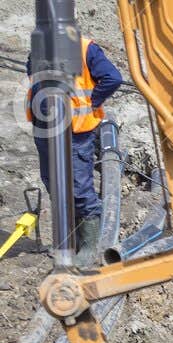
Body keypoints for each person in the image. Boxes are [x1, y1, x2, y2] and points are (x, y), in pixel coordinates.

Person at [27, 32, 123, 266]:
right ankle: (70, 241)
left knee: (80, 188)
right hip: (45, 129)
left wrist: (91, 103)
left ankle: (89, 247)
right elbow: (33, 75)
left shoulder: (86, 48)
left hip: (76, 132)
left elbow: (113, 78)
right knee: (54, 184)